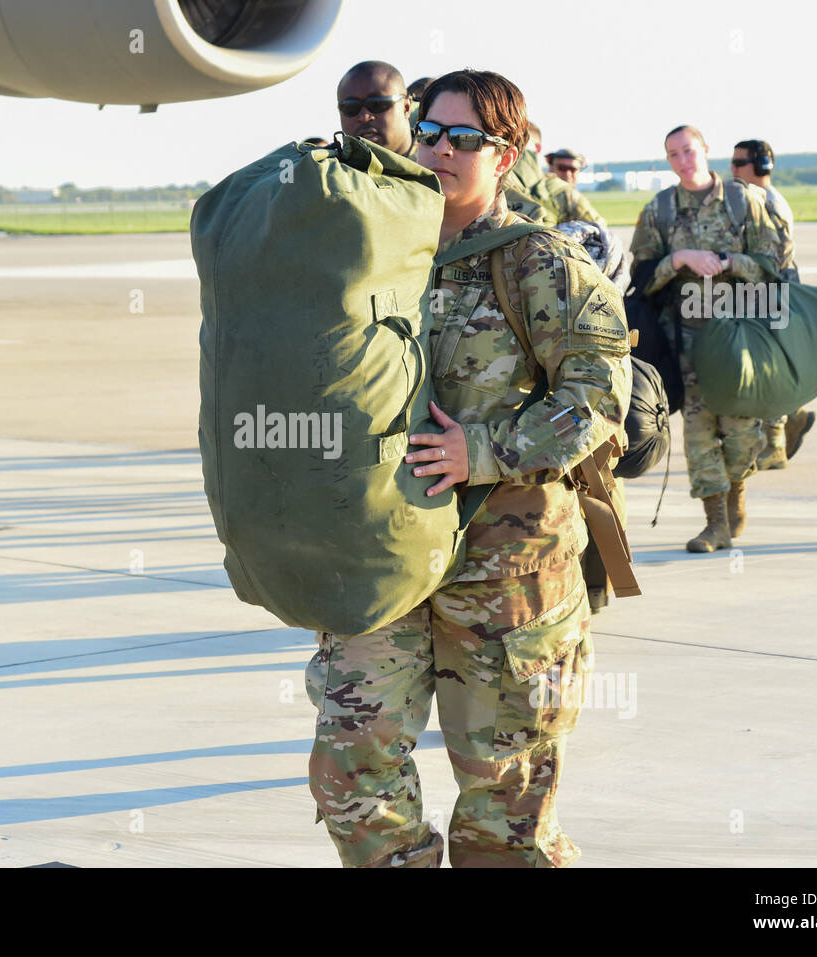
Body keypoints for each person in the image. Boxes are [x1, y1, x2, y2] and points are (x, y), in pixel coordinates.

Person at [305, 68, 631, 868]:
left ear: (508, 152)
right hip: (383, 560)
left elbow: (599, 394)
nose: (441, 149)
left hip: (508, 578)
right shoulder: (380, 255)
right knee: (355, 765)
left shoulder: (540, 265)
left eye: (464, 137)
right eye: (431, 133)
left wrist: (480, 451)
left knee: (506, 809)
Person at [629, 125, 783, 553]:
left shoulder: (743, 202)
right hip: (685, 341)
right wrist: (677, 259)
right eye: (674, 154)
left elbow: (773, 263)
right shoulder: (659, 209)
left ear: (705, 150)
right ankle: (714, 522)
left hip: (738, 338)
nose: (683, 160)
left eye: (689, 150)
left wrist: (730, 261)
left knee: (740, 432)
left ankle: (737, 489)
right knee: (698, 434)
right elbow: (641, 276)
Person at [731, 138, 814, 469]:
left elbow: (768, 257)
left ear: (761, 166)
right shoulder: (763, 198)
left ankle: (775, 445)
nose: (732, 169)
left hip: (771, 291)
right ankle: (793, 416)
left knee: (767, 366)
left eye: (739, 164)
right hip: (770, 289)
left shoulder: (763, 201)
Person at [336, 60, 415, 159]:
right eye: (351, 107)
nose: (365, 117)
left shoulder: (436, 162)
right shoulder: (325, 171)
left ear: (406, 107)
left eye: (377, 104)